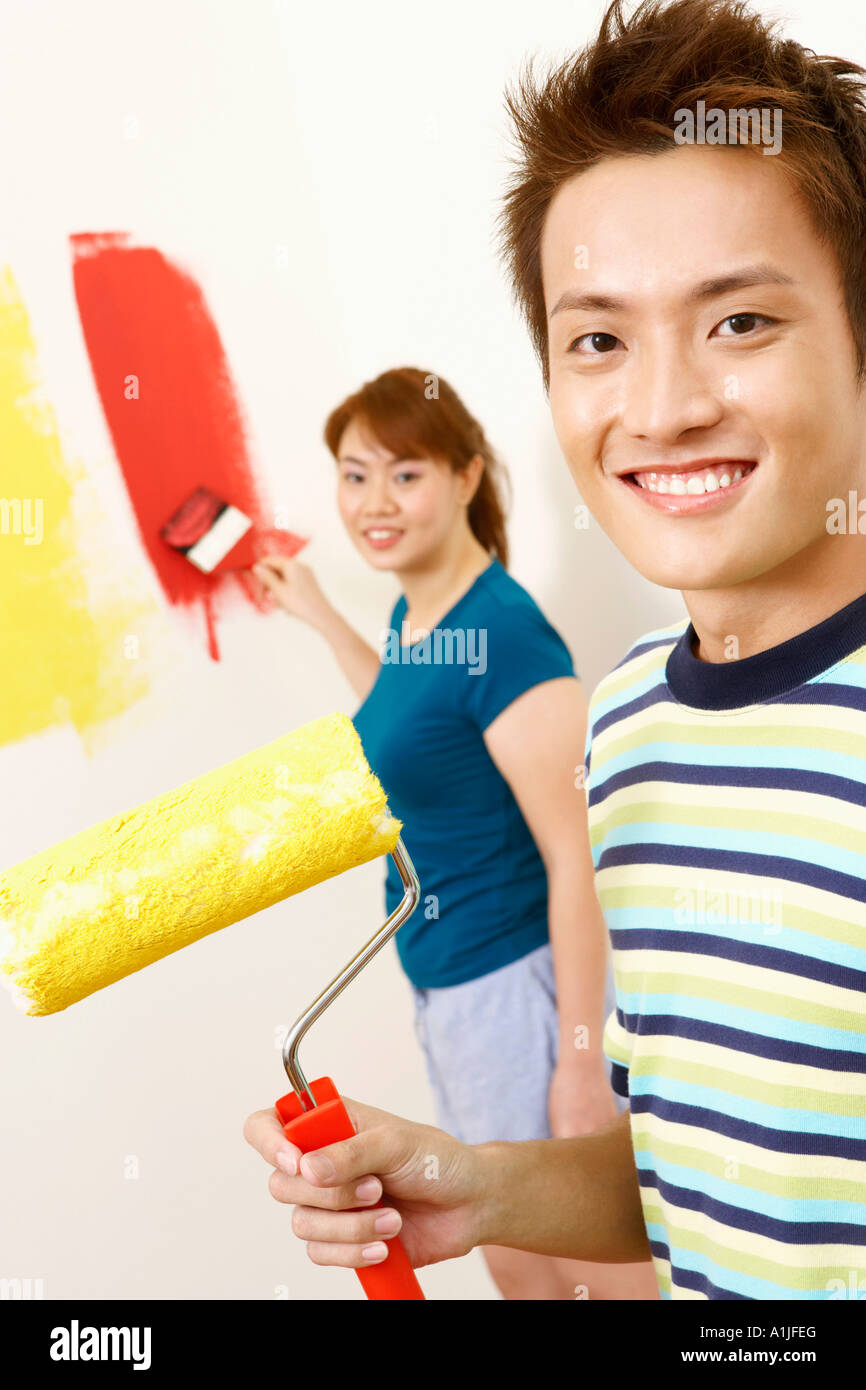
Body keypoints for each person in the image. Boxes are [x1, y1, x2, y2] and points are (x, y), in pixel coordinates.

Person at [245, 0, 866, 1300]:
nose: (659, 407)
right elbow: (687, 1172)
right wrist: (480, 1184)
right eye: (595, 338)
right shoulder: (629, 725)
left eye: (738, 321)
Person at [252, 365, 656, 1299]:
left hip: (517, 984)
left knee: (574, 1269)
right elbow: (407, 724)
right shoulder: (420, 617)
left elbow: (577, 854)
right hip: (456, 988)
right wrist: (319, 613)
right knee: (517, 1261)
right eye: (355, 476)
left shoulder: (503, 635)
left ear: (468, 476)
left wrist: (581, 1060)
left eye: (405, 473)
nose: (374, 502)